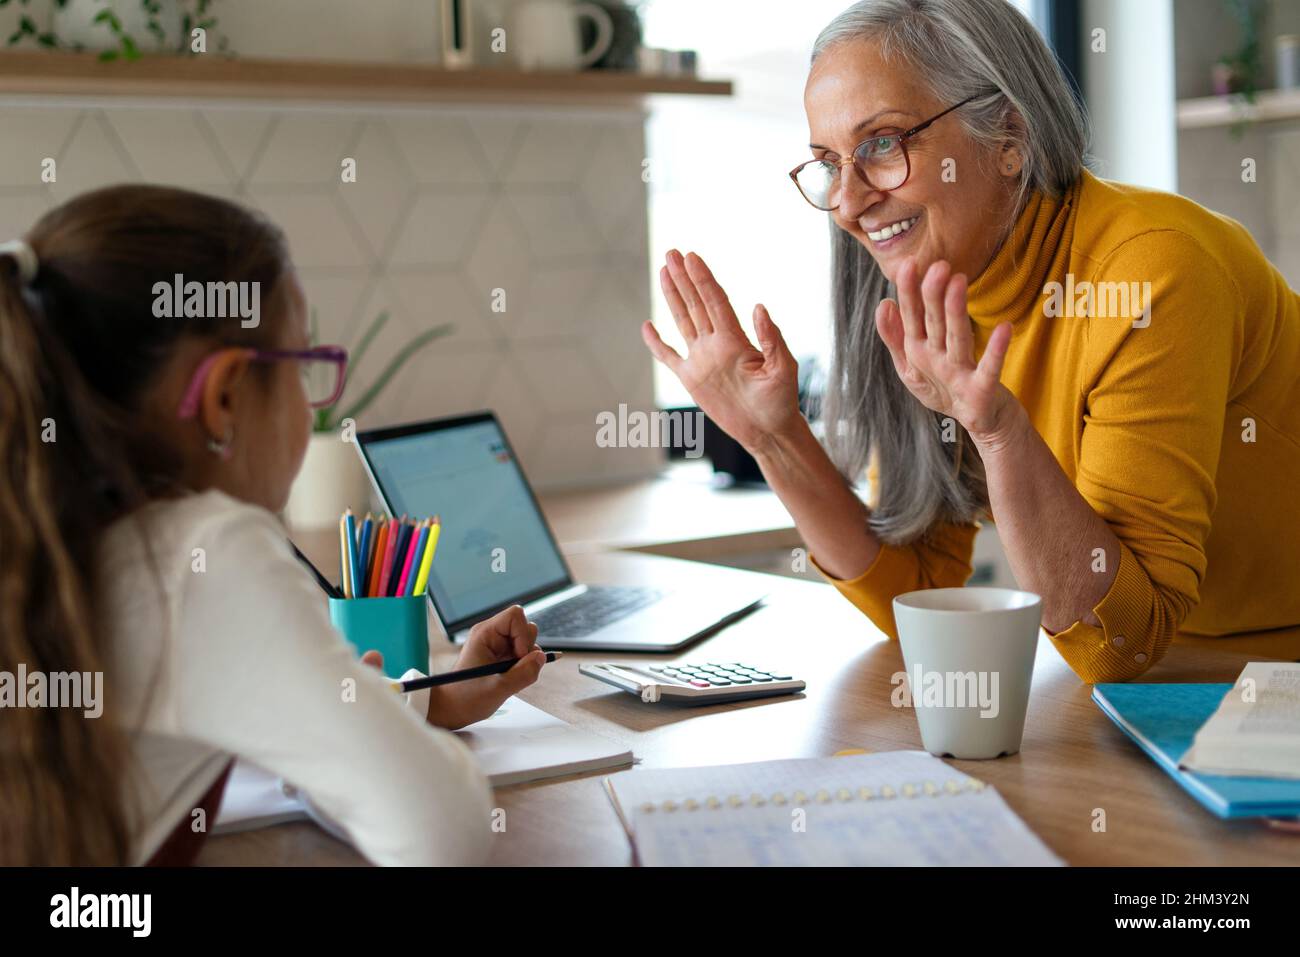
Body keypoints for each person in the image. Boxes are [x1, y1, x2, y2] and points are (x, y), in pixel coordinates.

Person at [642, 0, 1300, 684]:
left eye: (882, 145)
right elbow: (919, 596)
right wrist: (774, 438)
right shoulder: (926, 291)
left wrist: (998, 432)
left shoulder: (1151, 269)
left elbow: (1120, 643)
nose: (846, 200)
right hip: (1177, 671)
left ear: (1009, 134)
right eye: (829, 162)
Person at [0, 184, 547, 866]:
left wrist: (403, 705)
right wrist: (342, 740)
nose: (312, 394)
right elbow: (446, 832)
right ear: (226, 395)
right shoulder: (201, 555)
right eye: (304, 364)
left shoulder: (43, 535)